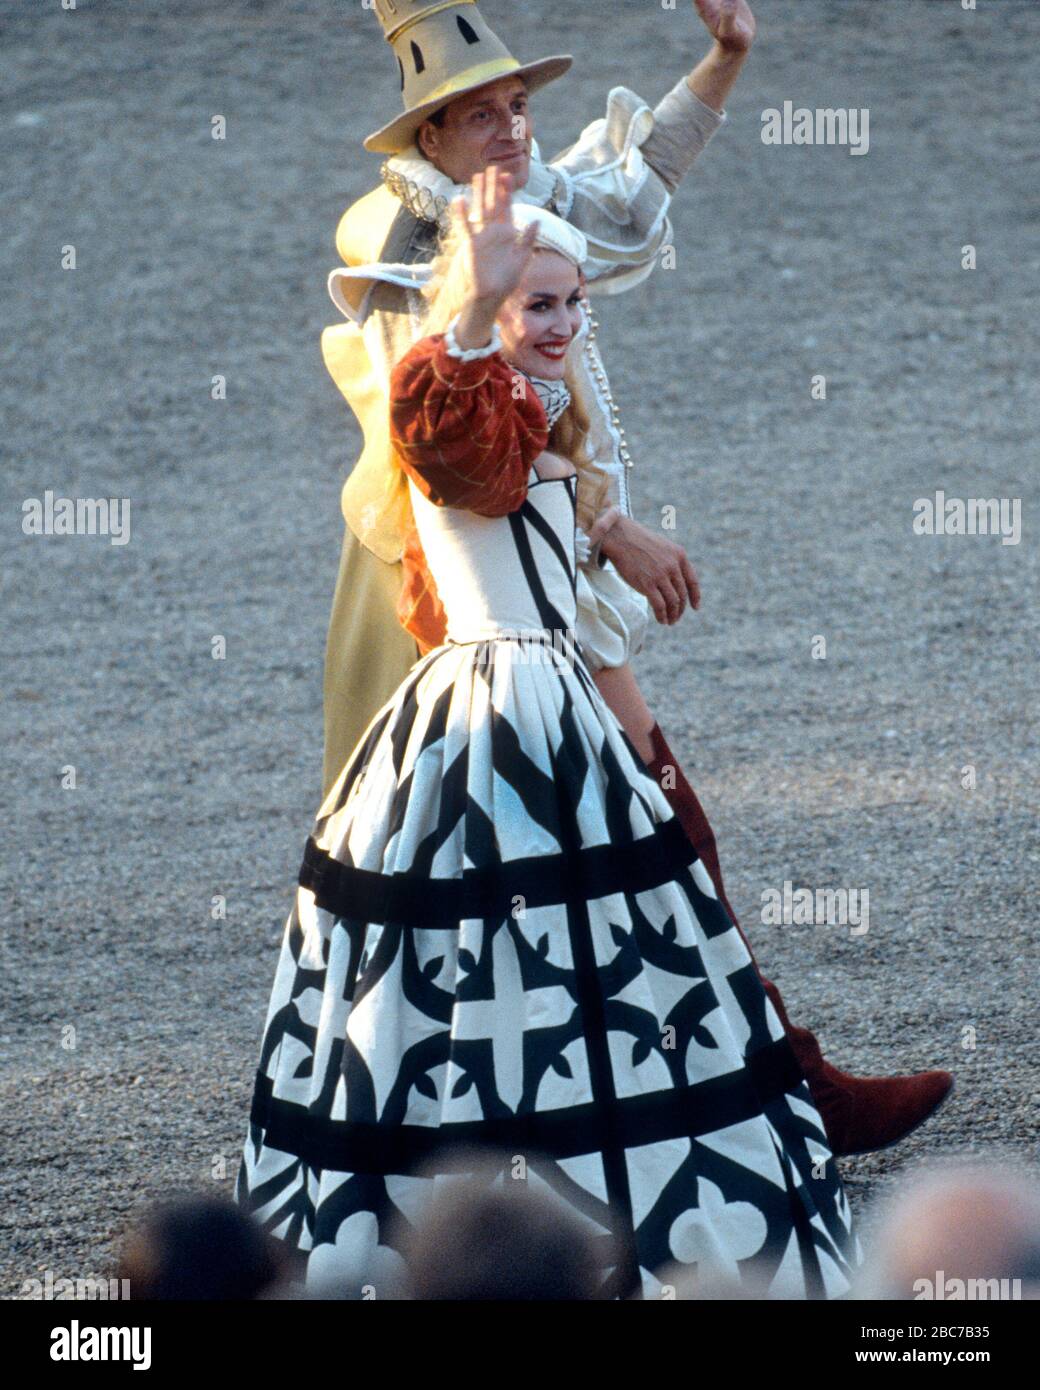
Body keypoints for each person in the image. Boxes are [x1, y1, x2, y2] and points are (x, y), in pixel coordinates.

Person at [319, 0, 953, 1156]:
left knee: (652, 838)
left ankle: (765, 1090)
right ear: (429, 134)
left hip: (553, 578)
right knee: (465, 893)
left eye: (519, 105)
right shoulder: (405, 248)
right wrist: (605, 525)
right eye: (482, 115)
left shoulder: (526, 205)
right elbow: (440, 448)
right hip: (455, 598)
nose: (513, 130)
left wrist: (724, 58)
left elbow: (636, 186)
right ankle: (458, 1156)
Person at [236, 171, 859, 1299]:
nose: (561, 322)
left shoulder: (535, 417)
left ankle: (594, 1184)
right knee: (480, 948)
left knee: (595, 947)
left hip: (555, 696)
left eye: (573, 302)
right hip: (488, 706)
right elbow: (444, 438)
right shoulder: (451, 393)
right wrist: (471, 310)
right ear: (481, 312)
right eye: (538, 305)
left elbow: (535, 478)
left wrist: (612, 528)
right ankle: (466, 1208)